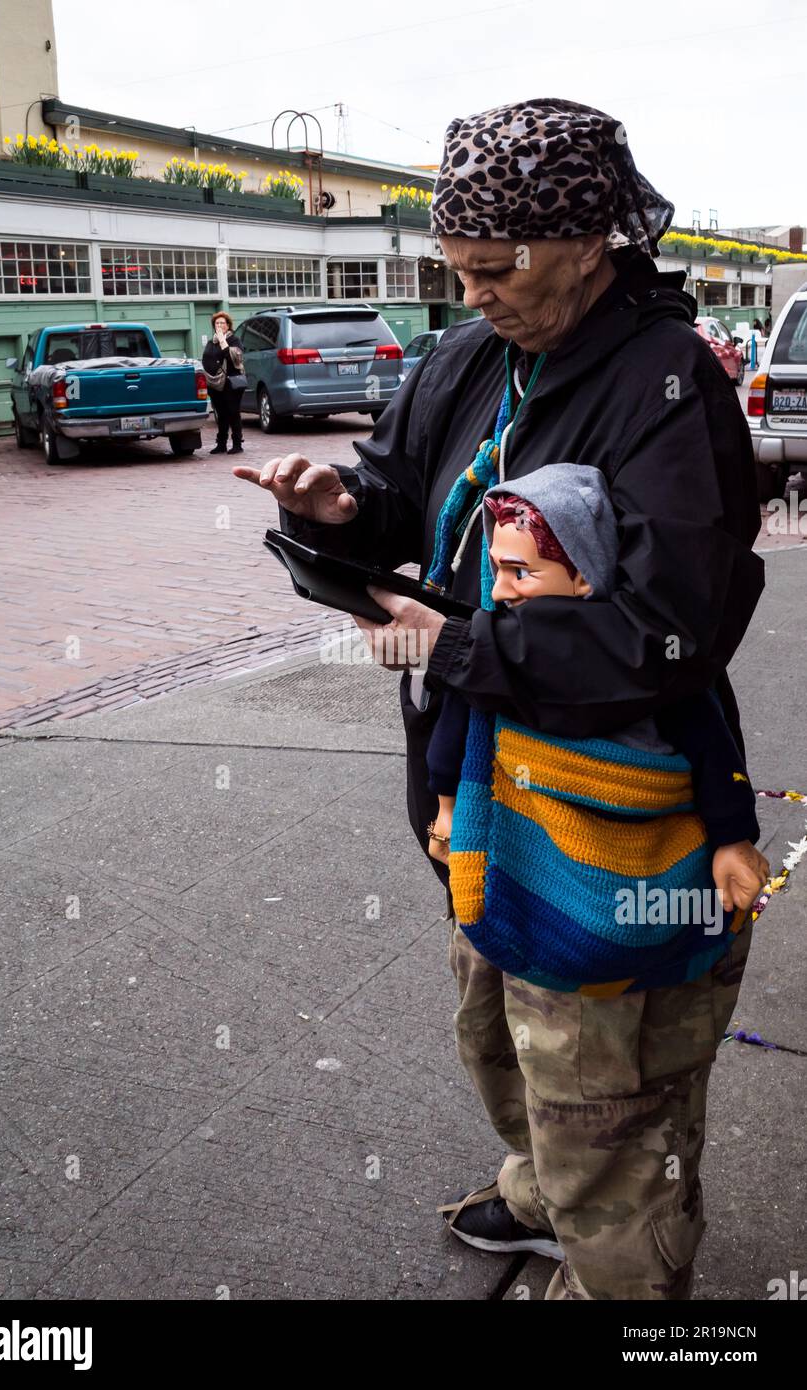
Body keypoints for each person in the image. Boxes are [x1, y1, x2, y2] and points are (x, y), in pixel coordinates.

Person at [233, 97, 766, 1300]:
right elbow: (405, 488)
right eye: (454, 267)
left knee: (606, 1091)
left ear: (585, 244)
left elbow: (665, 635)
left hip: (605, 807)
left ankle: (624, 1279)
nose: (470, 291)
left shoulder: (666, 382)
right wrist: (336, 507)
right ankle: (536, 1196)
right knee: (495, 1025)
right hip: (474, 783)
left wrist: (456, 646)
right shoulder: (471, 352)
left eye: (492, 269)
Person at [425, 466, 769, 959]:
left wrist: (733, 837)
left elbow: (713, 750)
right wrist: (447, 814)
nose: (499, 591)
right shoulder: (494, 653)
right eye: (497, 570)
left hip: (643, 853)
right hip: (527, 864)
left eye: (520, 573)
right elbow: (453, 733)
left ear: (584, 574)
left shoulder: (638, 671)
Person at [202, 311, 244, 455]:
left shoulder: (234, 340)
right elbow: (206, 358)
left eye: (222, 323)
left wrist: (222, 341)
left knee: (233, 412)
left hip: (231, 382)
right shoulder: (211, 342)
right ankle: (221, 444)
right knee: (221, 414)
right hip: (215, 384)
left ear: (228, 325)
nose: (219, 326)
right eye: (217, 323)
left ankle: (237, 444)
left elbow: (234, 358)